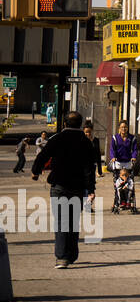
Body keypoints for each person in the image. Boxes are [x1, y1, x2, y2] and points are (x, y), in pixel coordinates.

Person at [30, 111, 97, 269]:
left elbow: (42, 156)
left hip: (59, 186)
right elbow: (89, 168)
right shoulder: (86, 142)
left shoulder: (57, 139)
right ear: (80, 125)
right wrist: (90, 188)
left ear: (64, 124)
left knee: (61, 221)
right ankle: (72, 255)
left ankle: (62, 258)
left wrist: (35, 171)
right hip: (77, 188)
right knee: (73, 222)